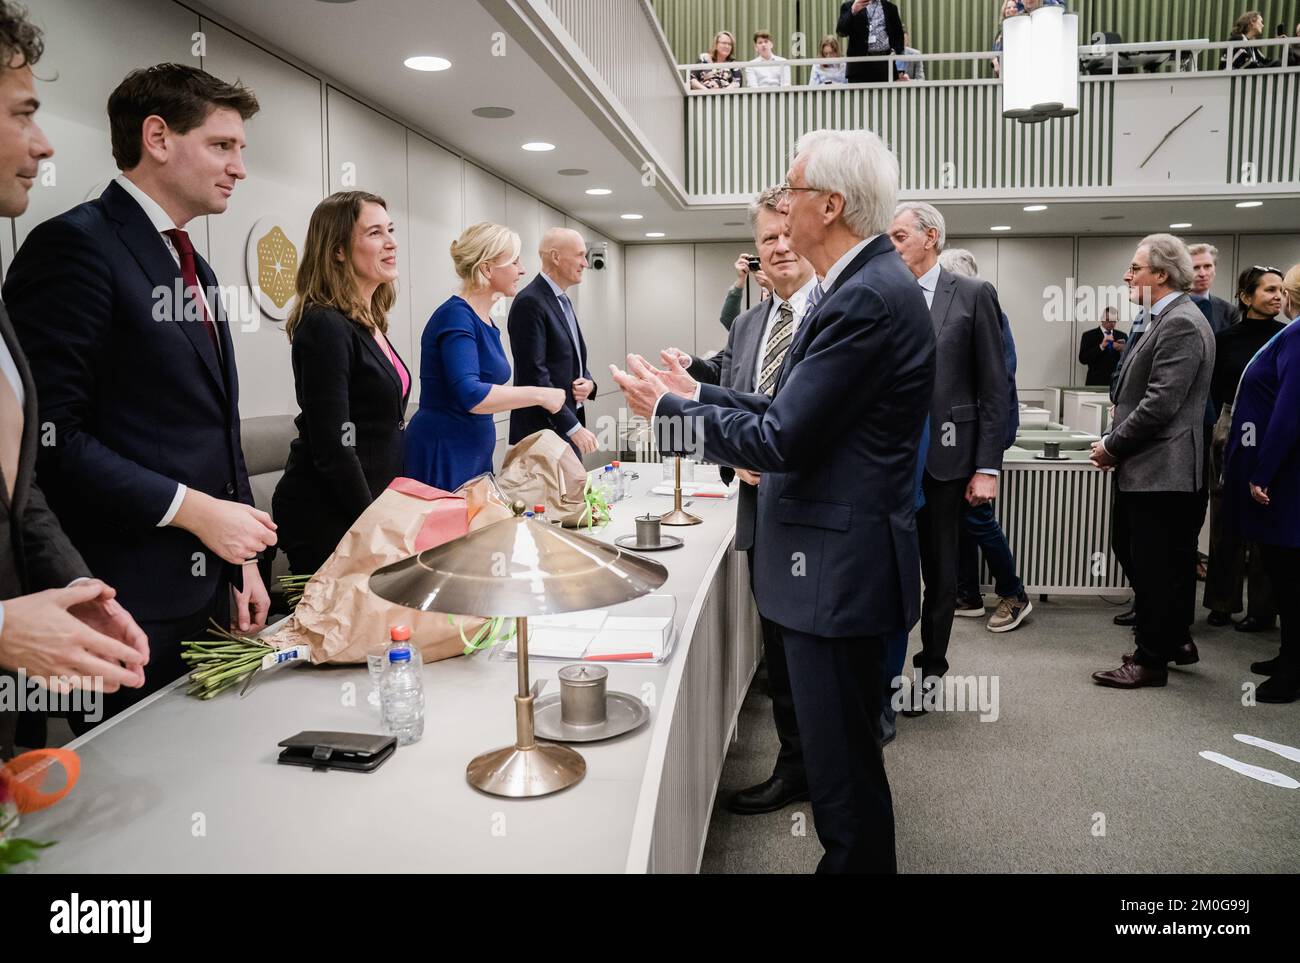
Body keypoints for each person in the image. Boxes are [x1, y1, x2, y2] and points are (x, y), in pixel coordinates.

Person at [613, 129, 935, 873]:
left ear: (830, 203)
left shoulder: (866, 298)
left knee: (845, 781)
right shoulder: (864, 287)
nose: (781, 207)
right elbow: (788, 407)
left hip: (838, 571)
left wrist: (669, 414)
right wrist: (697, 394)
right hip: (837, 567)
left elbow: (785, 436)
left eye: (791, 191)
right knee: (840, 769)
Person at [4, 63, 274, 731]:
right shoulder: (75, 247)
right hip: (128, 591)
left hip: (211, 585)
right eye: (222, 146)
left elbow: (214, 430)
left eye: (241, 149)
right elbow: (52, 438)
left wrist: (243, 564)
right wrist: (194, 512)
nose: (239, 166)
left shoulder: (195, 265)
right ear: (157, 137)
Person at [0, 1, 148, 757]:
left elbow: (16, 485)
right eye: (23, 113)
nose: (45, 143)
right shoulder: (74, 250)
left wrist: (79, 589)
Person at [661, 186, 817, 815]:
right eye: (766, 240)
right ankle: (795, 764)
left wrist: (765, 455)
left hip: (818, 518)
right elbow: (732, 403)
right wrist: (691, 389)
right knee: (780, 652)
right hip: (762, 519)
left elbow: (807, 426)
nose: (779, 248)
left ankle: (831, 768)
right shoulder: (750, 322)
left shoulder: (837, 314)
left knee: (822, 665)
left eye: (787, 233)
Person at [888, 201, 1013, 692]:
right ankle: (883, 673)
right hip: (890, 461)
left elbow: (994, 387)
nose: (891, 247)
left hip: (946, 462)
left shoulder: (974, 294)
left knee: (941, 576)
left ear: (931, 237)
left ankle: (930, 671)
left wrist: (987, 466)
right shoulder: (883, 294)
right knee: (891, 574)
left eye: (899, 236)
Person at [1090, 235, 1214, 689]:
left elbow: (1161, 403)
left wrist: (1112, 445)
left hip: (1164, 468)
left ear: (1161, 274)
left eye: (1135, 268)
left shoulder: (1179, 322)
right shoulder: (1164, 317)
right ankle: (1175, 640)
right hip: (1155, 467)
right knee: (1162, 560)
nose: (1128, 275)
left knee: (1153, 563)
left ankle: (1149, 660)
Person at [271, 192, 410, 576]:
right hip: (329, 513)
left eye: (391, 230)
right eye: (375, 233)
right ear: (338, 251)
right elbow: (334, 447)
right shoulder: (324, 325)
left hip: (368, 506)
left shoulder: (368, 321)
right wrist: (372, 524)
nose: (391, 242)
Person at [406, 224, 564, 491]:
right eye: (514, 261)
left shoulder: (485, 320)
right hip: (444, 450)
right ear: (487, 269)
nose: (522, 270)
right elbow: (471, 395)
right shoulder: (456, 316)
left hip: (471, 449)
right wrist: (541, 395)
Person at [940, 248, 1031, 633]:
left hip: (977, 437)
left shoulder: (984, 310)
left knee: (977, 517)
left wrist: (985, 458)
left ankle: (1014, 594)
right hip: (955, 437)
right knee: (962, 518)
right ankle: (969, 594)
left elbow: (997, 381)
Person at [1223, 276, 1300, 702]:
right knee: (1281, 570)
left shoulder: (1297, 336)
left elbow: (1289, 413)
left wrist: (1263, 472)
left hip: (1286, 478)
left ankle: (1292, 670)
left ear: (1291, 296)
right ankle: (1289, 654)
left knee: (1290, 577)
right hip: (1282, 473)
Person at [1202, 267, 1286, 630]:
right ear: (1246, 296)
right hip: (1231, 424)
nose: (1277, 297)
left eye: (1282, 291)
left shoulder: (1287, 337)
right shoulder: (1225, 339)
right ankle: (1222, 602)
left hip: (1273, 428)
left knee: (1268, 517)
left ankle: (1262, 609)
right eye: (1269, 290)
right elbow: (1213, 388)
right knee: (1226, 515)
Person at [507, 227, 599, 457]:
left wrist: (589, 383)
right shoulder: (531, 302)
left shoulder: (562, 300)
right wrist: (573, 427)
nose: (585, 263)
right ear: (556, 257)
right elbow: (534, 375)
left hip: (564, 428)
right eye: (579, 255)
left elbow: (569, 359)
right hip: (542, 432)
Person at [837, 0, 905, 84]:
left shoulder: (890, 8)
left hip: (884, 63)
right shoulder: (849, 6)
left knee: (885, 96)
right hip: (859, 66)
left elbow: (899, 35)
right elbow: (841, 31)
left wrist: (895, 52)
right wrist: (852, 12)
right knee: (860, 97)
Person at [1188, 243, 1239, 334]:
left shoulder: (1229, 311)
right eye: (1196, 267)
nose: (1203, 274)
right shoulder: (1169, 306)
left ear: (1214, 269)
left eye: (1207, 266)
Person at [719, 252, 772, 331]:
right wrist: (741, 279)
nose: (767, 296)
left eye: (769, 294)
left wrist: (771, 288)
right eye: (765, 292)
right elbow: (729, 320)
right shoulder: (754, 321)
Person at [1077, 306, 1128, 385]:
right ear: (1102, 319)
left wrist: (1123, 350)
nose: (1112, 323)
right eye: (1109, 320)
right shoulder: (1089, 335)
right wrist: (1101, 346)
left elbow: (1129, 361)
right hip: (1095, 382)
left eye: (1115, 321)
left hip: (1116, 383)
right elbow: (1083, 359)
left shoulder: (1122, 336)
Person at [992, 0, 1020, 78]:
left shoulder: (1021, 28)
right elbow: (993, 53)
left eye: (1014, 7)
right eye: (1008, 7)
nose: (1011, 9)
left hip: (1016, 72)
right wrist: (994, 62)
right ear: (1004, 11)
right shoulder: (999, 33)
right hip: (1000, 75)